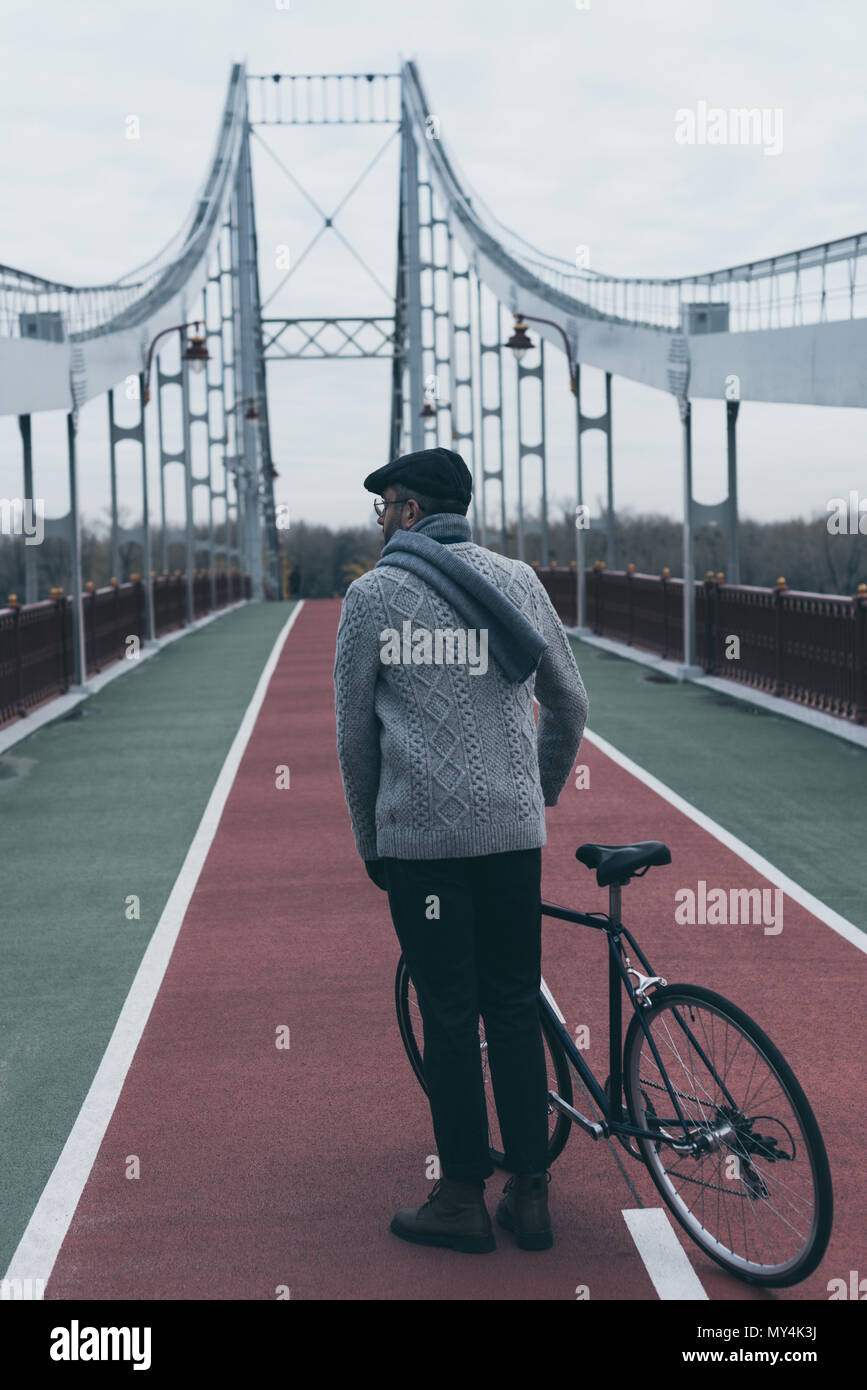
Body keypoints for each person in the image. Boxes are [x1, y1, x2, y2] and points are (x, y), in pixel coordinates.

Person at [333, 445, 588, 1254]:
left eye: (385, 508)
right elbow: (569, 702)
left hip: (427, 845)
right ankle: (532, 1196)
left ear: (408, 511)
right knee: (512, 1005)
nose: (379, 522)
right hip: (512, 838)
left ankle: (460, 1199)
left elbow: (353, 737)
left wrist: (373, 840)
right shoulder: (519, 581)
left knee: (449, 1015)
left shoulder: (373, 597)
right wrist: (534, 794)